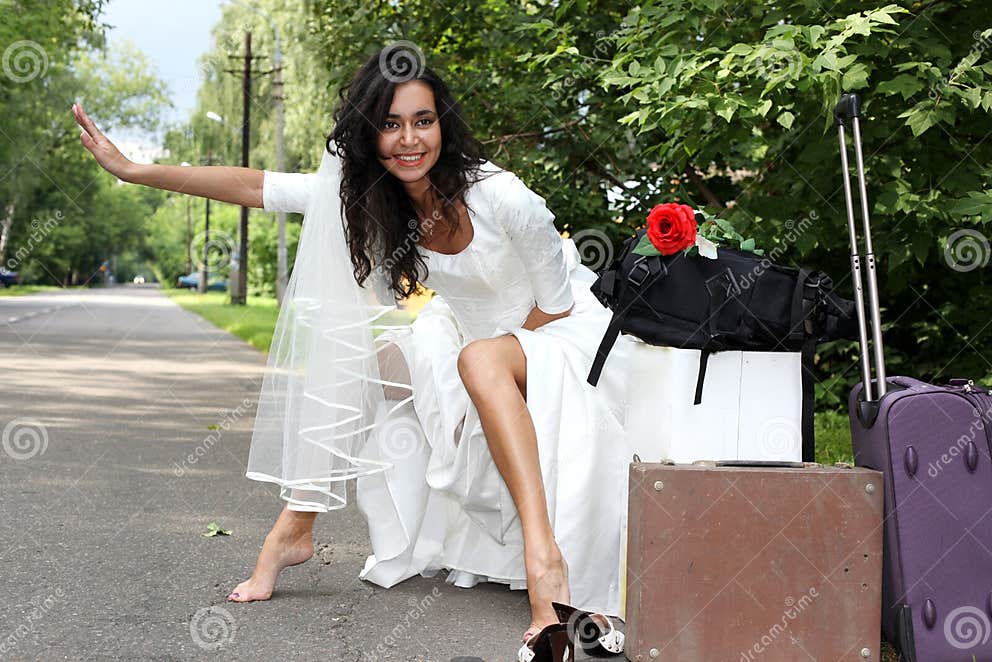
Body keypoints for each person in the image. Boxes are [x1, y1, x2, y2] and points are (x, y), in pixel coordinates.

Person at [72, 45, 632, 658]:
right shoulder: (374, 199)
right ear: (370, 136)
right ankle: (297, 524)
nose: (408, 139)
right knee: (365, 359)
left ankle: (543, 561)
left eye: (423, 120)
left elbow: (555, 304)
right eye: (390, 125)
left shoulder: (503, 197)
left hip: (559, 334)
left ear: (444, 123)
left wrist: (491, 375)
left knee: (473, 362)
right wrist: (138, 171)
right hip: (472, 338)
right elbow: (255, 186)